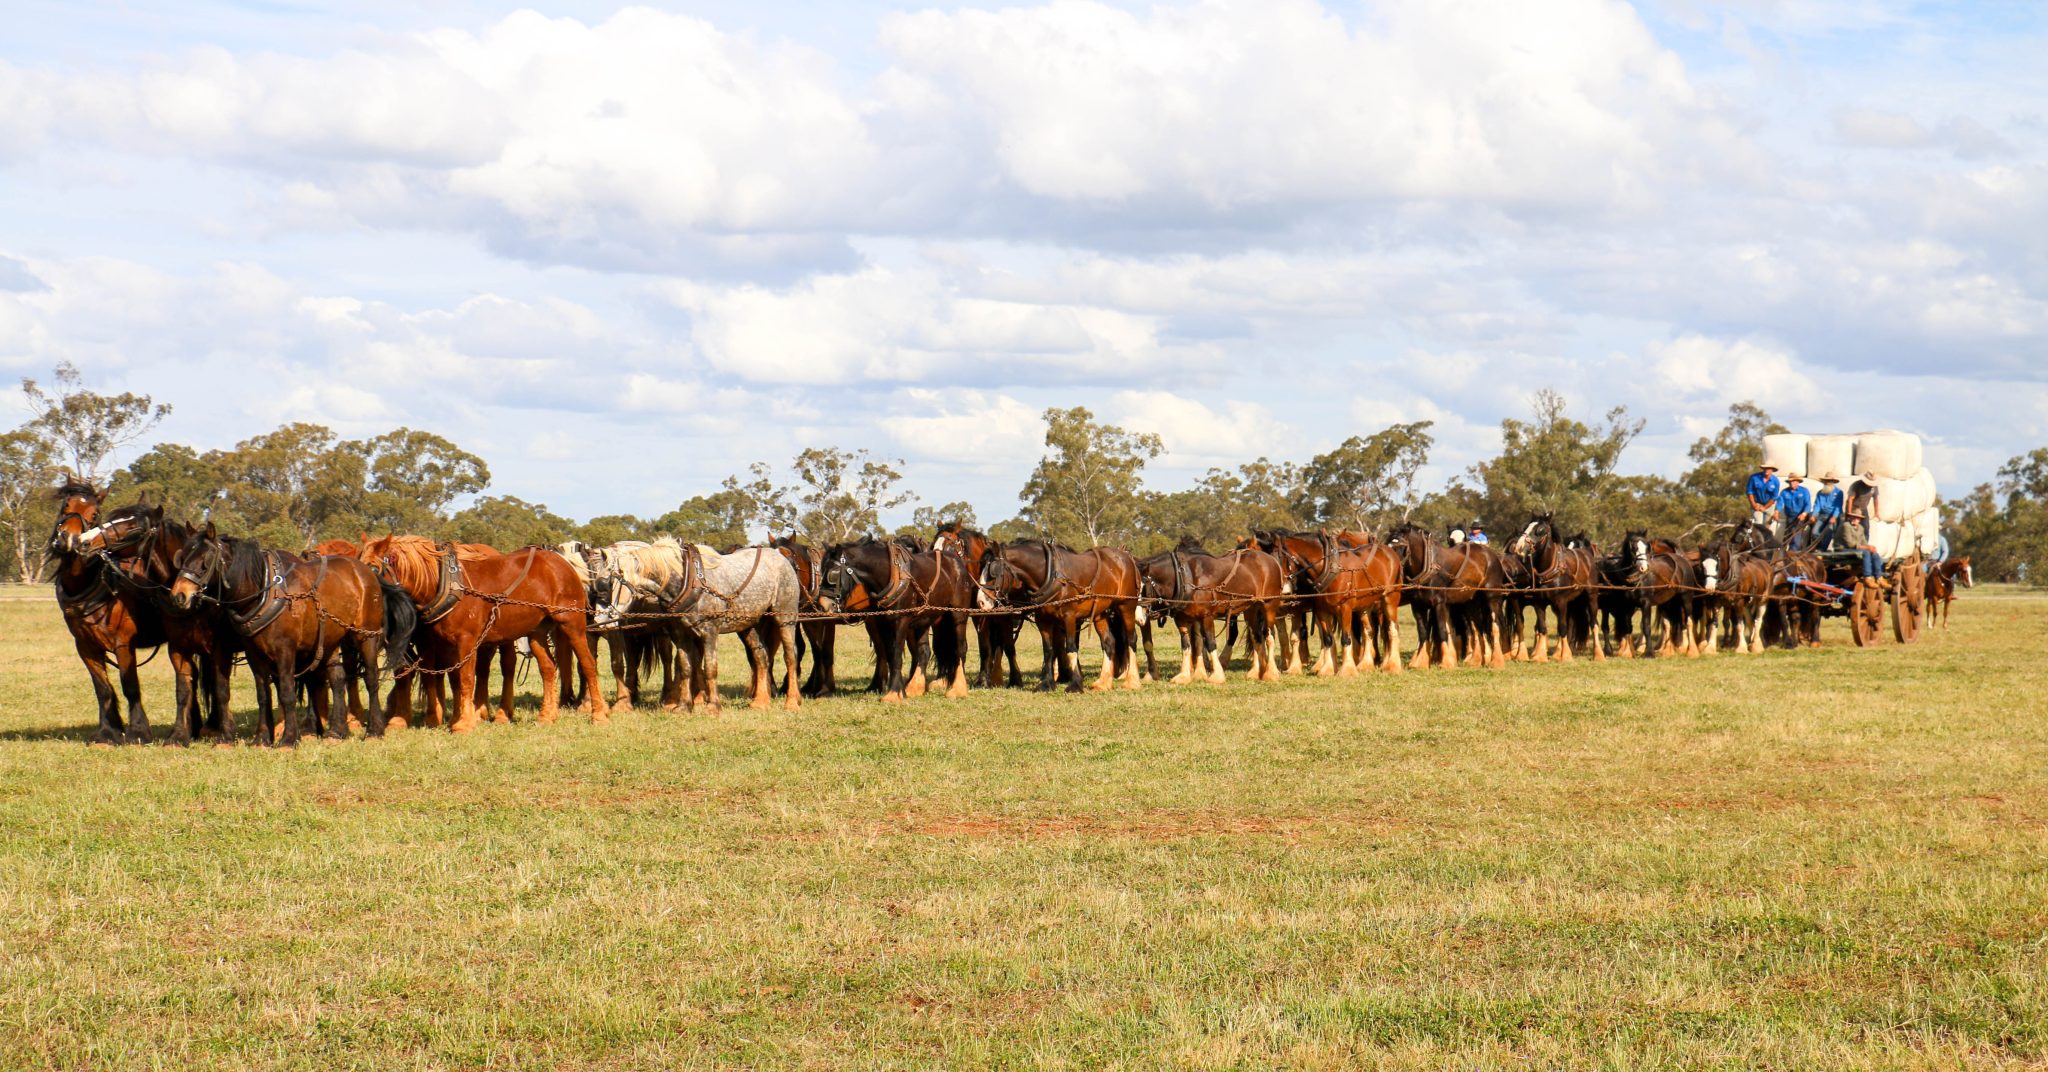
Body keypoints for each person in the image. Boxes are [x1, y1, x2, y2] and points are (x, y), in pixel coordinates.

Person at [1842, 471, 1886, 588]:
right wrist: (1849, 513)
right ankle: (1855, 549)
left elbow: (1876, 499)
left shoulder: (1874, 488)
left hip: (1863, 509)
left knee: (1865, 529)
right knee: (1849, 529)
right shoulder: (1856, 485)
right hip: (1854, 507)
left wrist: (1877, 512)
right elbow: (1850, 499)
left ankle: (1879, 576)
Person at [1774, 472, 1812, 547]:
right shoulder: (1784, 492)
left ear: (1798, 482)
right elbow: (1780, 503)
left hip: (1801, 517)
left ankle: (1794, 551)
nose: (1792, 483)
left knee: (1795, 534)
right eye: (1790, 482)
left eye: (1794, 481)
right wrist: (1776, 512)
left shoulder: (1804, 491)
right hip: (1790, 517)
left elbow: (1808, 504)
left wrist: (1804, 514)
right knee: (1788, 535)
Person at [1810, 471, 1845, 549]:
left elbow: (1838, 506)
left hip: (1834, 516)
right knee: (1814, 532)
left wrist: (1834, 517)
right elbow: (1817, 505)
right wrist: (1814, 515)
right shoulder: (1820, 493)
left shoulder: (1839, 492)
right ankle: (1818, 547)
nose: (1828, 483)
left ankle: (1822, 550)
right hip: (1823, 515)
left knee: (1829, 532)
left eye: (1830, 481)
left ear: (1833, 482)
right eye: (1827, 481)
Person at [1746, 463, 1781, 529]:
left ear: (1772, 470)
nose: (1766, 470)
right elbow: (1749, 492)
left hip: (1769, 505)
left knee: (1767, 526)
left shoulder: (1776, 481)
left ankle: (1765, 539)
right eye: (1765, 468)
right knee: (1758, 523)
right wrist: (1754, 505)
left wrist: (1765, 507)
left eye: (1769, 469)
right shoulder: (1754, 478)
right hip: (1757, 504)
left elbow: (1774, 497)